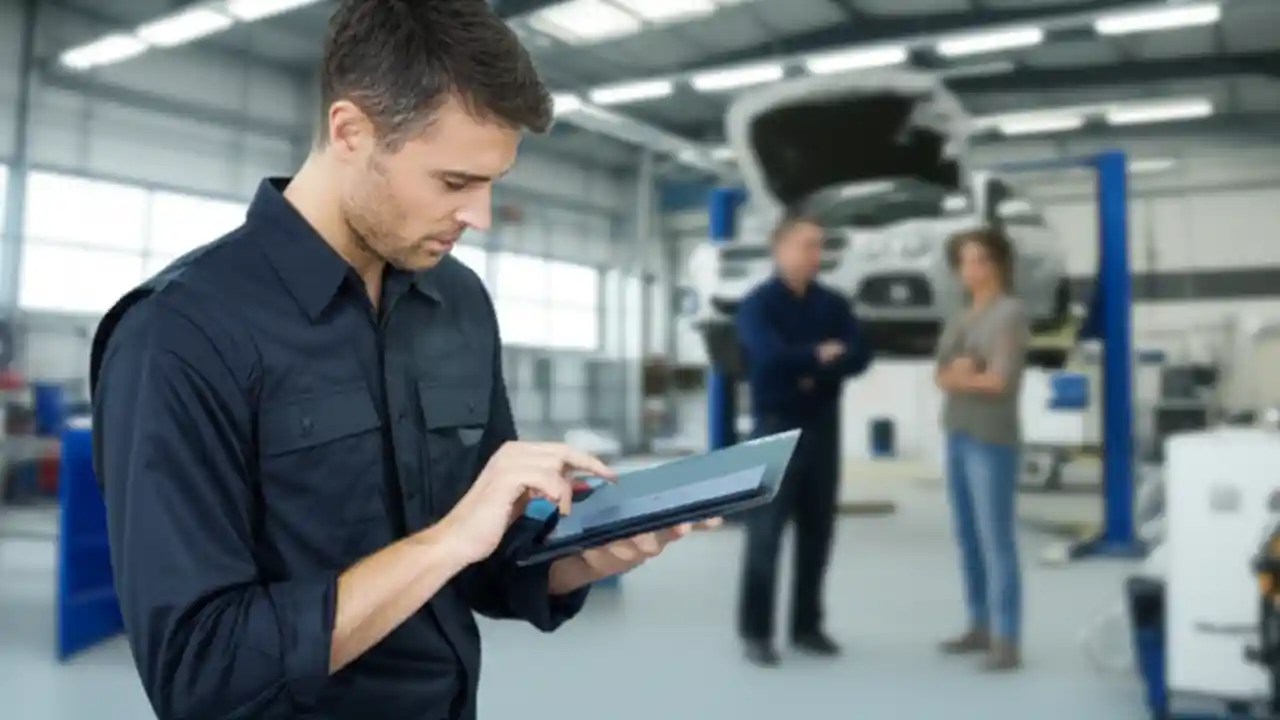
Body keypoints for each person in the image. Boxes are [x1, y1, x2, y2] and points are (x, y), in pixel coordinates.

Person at [88, 3, 716, 719]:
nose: (479, 217)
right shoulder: (179, 335)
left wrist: (590, 553)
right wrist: (446, 542)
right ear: (351, 132)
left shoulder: (458, 301)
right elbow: (200, 670)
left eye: (492, 183)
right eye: (454, 183)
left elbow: (488, 560)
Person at [734, 214, 873, 667]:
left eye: (820, 246)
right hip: (775, 427)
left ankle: (807, 627)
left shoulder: (833, 304)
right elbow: (768, 359)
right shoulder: (757, 305)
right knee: (765, 536)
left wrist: (811, 366)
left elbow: (860, 354)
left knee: (817, 533)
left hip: (823, 428)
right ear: (780, 249)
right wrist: (818, 356)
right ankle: (757, 633)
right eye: (806, 245)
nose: (815, 254)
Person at [933, 226, 1031, 672]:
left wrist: (963, 374)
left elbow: (999, 380)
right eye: (965, 262)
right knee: (968, 537)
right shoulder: (960, 315)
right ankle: (979, 625)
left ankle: (1007, 639)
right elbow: (940, 375)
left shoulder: (1009, 313)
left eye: (980, 260)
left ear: (999, 264)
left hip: (991, 439)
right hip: (956, 431)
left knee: (996, 540)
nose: (971, 270)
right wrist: (963, 371)